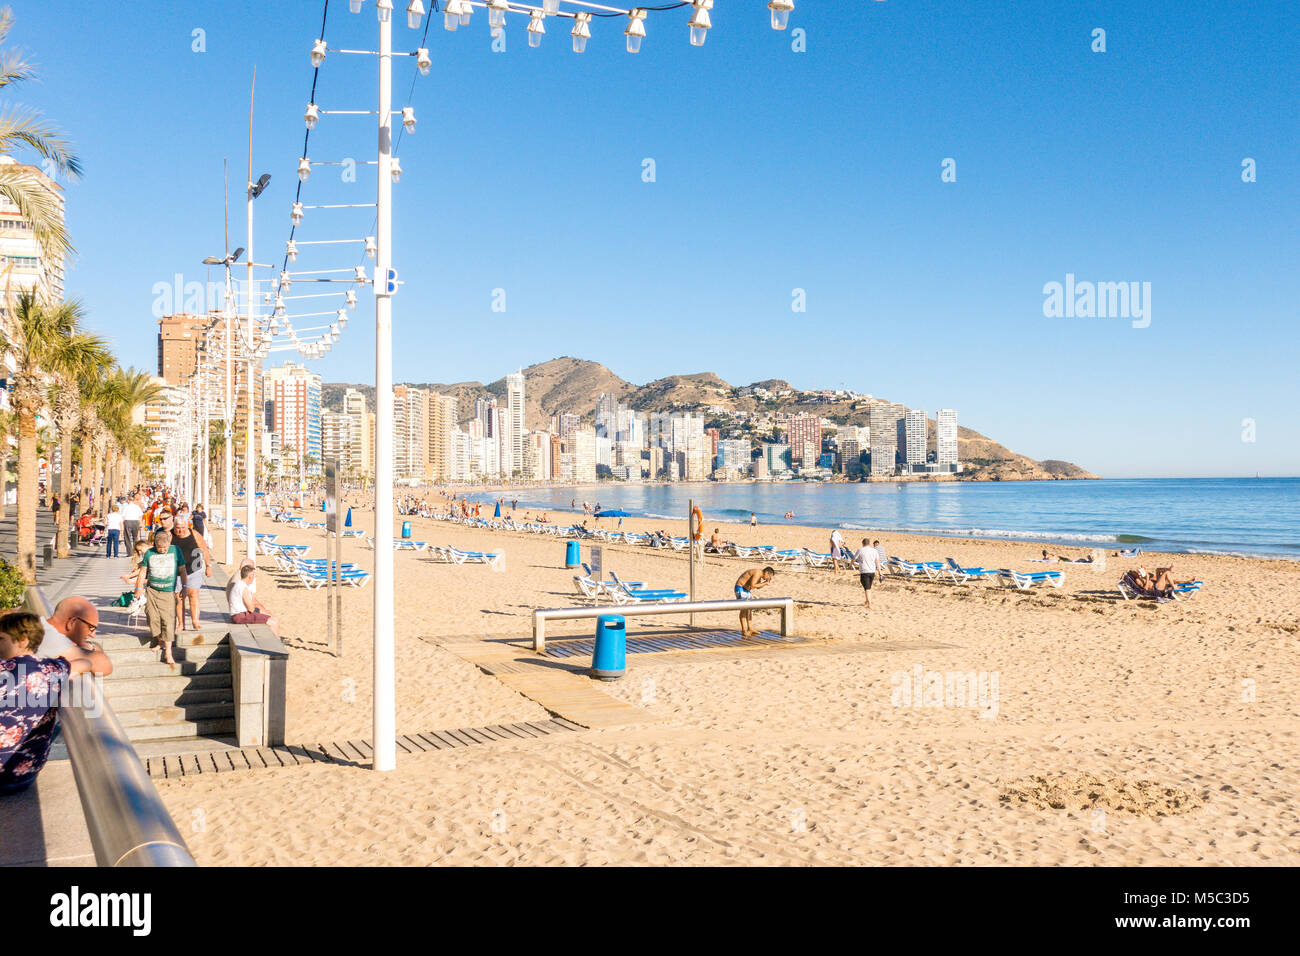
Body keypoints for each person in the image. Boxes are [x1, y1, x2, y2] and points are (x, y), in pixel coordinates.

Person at [0, 612, 101, 795]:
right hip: (20, 777)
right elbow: (85, 663)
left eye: (1, 639)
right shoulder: (51, 669)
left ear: (22, 640)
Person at [136, 529, 186, 665]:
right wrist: (138, 589)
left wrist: (185, 587)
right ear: (155, 546)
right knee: (152, 618)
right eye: (159, 548)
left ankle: (168, 652)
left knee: (168, 621)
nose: (162, 550)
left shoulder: (176, 550)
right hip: (152, 590)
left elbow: (182, 570)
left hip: (168, 591)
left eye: (164, 548)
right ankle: (160, 641)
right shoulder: (149, 553)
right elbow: (142, 572)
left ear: (169, 544)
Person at [40, 597, 113, 676]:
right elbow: (104, 665)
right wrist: (87, 647)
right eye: (91, 628)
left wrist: (88, 645)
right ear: (72, 622)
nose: (93, 635)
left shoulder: (40, 625)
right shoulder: (52, 640)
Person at [171, 513, 213, 632]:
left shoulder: (194, 534)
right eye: (178, 529)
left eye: (183, 528)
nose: (181, 531)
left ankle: (195, 621)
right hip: (177, 572)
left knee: (193, 594)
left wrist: (208, 566)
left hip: (193, 569)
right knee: (179, 598)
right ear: (174, 527)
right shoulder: (170, 535)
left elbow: (204, 550)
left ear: (187, 526)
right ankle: (181, 623)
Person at [228, 565, 280, 638]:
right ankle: (278, 644)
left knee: (268, 614)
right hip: (240, 616)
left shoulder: (240, 584)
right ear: (250, 576)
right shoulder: (243, 588)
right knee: (274, 622)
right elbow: (251, 609)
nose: (254, 578)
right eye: (254, 576)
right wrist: (254, 605)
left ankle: (275, 637)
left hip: (240, 614)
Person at [734, 567, 775, 638]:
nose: (768, 578)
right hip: (740, 588)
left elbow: (758, 587)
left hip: (746, 590)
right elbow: (753, 585)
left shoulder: (759, 574)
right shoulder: (757, 573)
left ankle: (750, 628)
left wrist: (765, 583)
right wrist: (765, 583)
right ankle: (744, 630)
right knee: (743, 609)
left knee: (749, 609)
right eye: (769, 577)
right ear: (767, 573)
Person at [853, 537, 879, 609]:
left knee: (867, 589)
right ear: (869, 543)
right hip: (872, 572)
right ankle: (867, 601)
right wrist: (880, 572)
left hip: (864, 571)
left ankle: (869, 604)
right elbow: (877, 561)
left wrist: (850, 565)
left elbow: (854, 558)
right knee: (868, 588)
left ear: (862, 543)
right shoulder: (874, 551)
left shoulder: (860, 550)